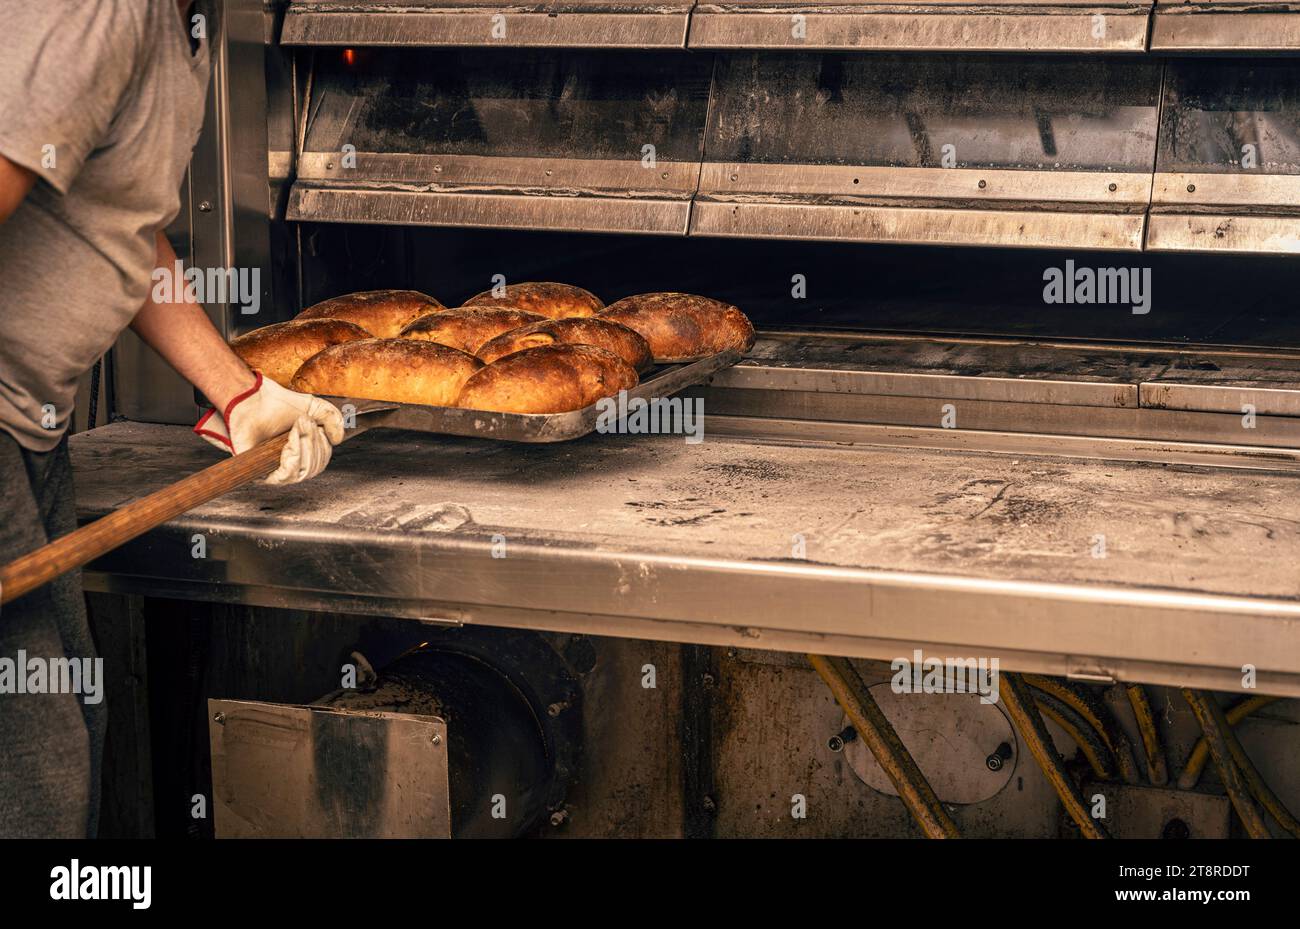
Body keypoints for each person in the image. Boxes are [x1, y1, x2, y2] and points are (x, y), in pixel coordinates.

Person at [0, 0, 343, 837]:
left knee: (71, 726)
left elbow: (120, 227)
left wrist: (239, 393)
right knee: (34, 781)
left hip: (28, 439)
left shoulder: (190, 26)